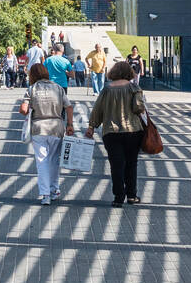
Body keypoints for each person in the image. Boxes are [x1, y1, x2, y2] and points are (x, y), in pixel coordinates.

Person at [86, 60, 146, 206]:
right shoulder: (134, 87)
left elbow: (98, 109)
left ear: (114, 72)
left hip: (111, 132)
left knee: (116, 165)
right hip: (133, 131)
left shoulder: (107, 89)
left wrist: (92, 126)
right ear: (128, 73)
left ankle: (118, 197)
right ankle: (132, 196)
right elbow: (139, 108)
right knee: (131, 163)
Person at [20, 61, 74, 205]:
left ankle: (45, 195)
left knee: (42, 161)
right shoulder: (57, 88)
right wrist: (70, 125)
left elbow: (24, 109)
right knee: (54, 161)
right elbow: (69, 107)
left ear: (33, 75)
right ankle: (54, 189)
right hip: (56, 127)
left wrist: (26, 107)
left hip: (39, 128)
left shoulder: (31, 89)